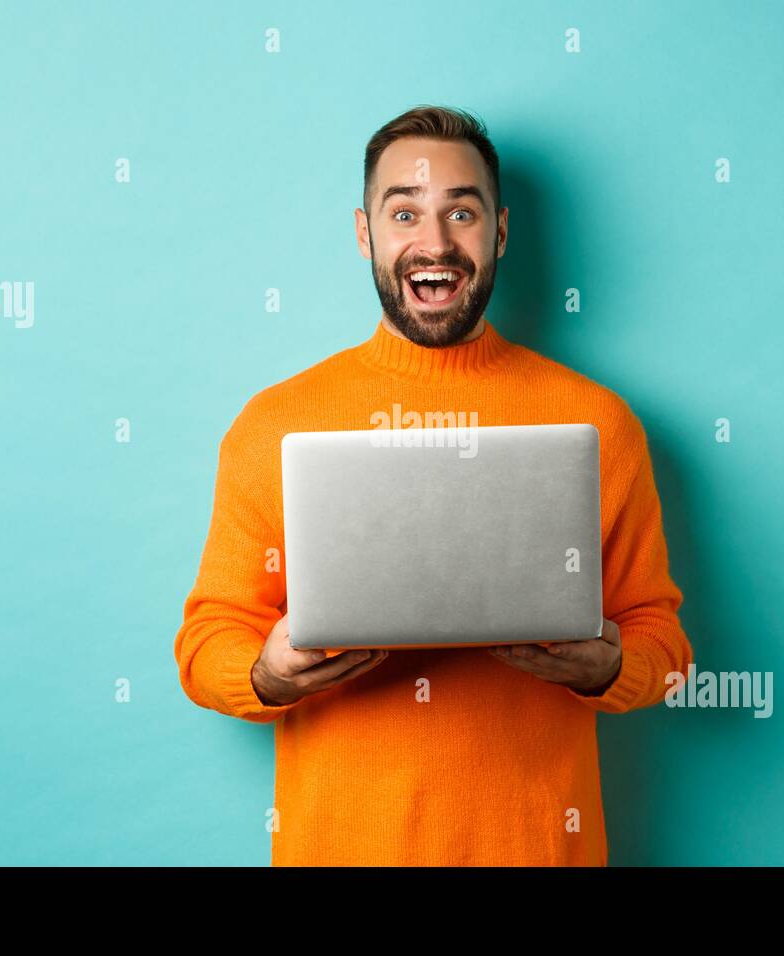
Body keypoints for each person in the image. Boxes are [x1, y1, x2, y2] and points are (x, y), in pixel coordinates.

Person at [173, 105, 692, 865]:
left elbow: (663, 642)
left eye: (462, 211)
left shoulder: (600, 423)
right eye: (405, 211)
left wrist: (610, 668)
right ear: (365, 235)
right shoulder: (274, 424)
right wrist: (268, 675)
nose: (435, 240)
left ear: (501, 233)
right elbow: (204, 640)